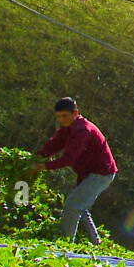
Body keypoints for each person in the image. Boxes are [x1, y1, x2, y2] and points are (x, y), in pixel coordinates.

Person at [29, 97, 117, 245]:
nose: (61, 120)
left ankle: (65, 244)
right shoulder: (67, 128)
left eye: (64, 116)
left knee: (72, 204)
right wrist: (38, 157)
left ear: (75, 113)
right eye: (58, 117)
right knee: (80, 206)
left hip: (101, 173)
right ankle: (96, 244)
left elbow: (68, 159)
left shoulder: (83, 130)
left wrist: (43, 167)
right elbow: (54, 144)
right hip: (88, 173)